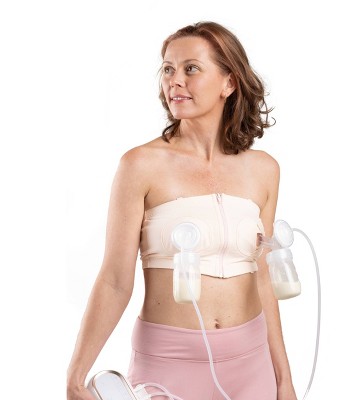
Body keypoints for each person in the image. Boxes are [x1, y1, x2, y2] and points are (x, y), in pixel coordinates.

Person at [67, 21, 298, 400]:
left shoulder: (263, 170)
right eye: (168, 69)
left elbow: (262, 276)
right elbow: (115, 280)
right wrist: (76, 377)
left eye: (191, 68)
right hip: (168, 363)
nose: (175, 80)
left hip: (251, 364)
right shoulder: (140, 165)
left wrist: (283, 378)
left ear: (229, 82)